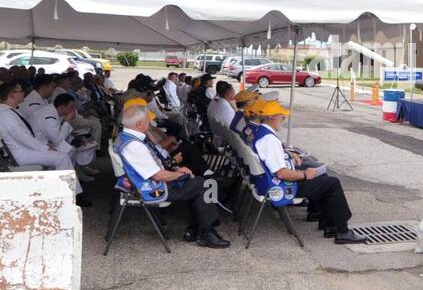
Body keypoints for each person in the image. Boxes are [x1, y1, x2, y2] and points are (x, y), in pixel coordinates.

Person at [249, 97, 363, 243]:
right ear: (272, 118)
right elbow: (282, 173)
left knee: (322, 179)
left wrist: (290, 155)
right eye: (281, 116)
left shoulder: (261, 132)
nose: (283, 119)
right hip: (281, 187)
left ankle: (329, 224)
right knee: (332, 183)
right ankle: (342, 231)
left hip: (270, 181)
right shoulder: (270, 140)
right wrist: (304, 174)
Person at [116, 101, 229, 248]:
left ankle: (196, 228)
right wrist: (179, 173)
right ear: (139, 124)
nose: (150, 123)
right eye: (147, 121)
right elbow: (158, 176)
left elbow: (154, 168)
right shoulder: (135, 145)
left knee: (196, 182)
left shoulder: (127, 137)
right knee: (205, 184)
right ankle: (207, 231)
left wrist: (177, 170)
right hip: (152, 188)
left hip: (147, 182)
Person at [0, 80, 86, 201]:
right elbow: (25, 139)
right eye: (21, 91)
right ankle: (72, 195)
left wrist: (46, 145)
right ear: (12, 94)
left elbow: (26, 137)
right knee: (62, 157)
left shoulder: (9, 111)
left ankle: (66, 191)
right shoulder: (6, 115)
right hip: (20, 153)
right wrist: (45, 148)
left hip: (23, 149)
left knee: (62, 154)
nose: (24, 93)